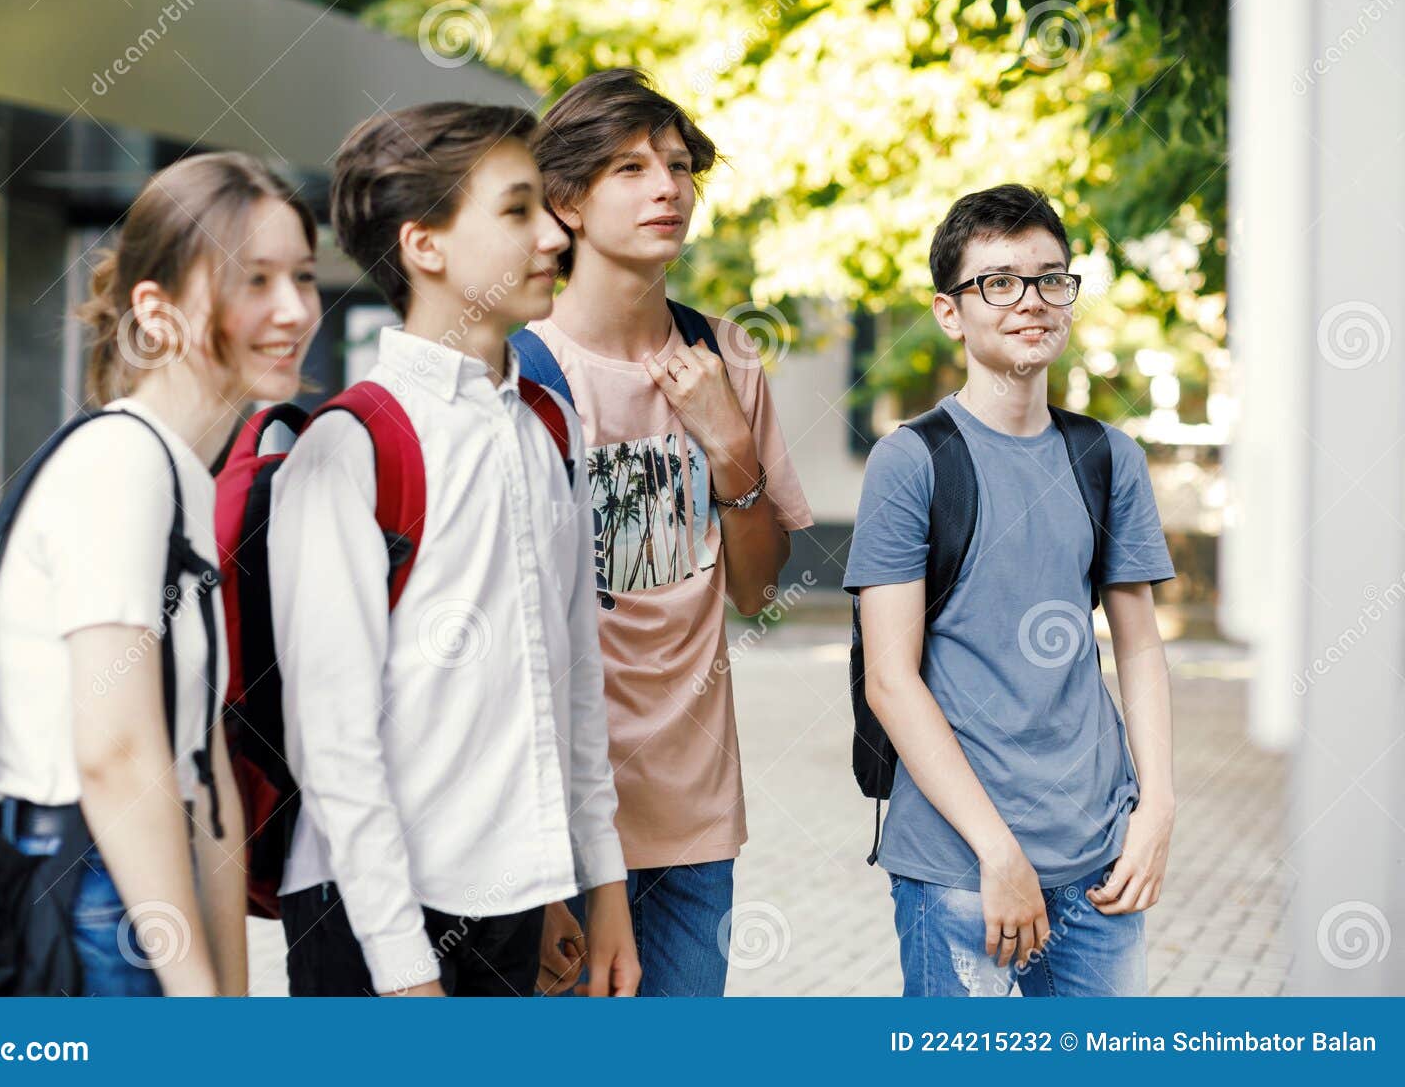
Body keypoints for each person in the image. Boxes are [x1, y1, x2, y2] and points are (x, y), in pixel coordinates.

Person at [270, 102, 639, 997]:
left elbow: (573, 680)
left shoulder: (549, 425)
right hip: (370, 918)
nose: (555, 234)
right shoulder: (351, 446)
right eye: (516, 210)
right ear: (424, 245)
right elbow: (332, 742)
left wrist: (591, 885)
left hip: (514, 910)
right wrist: (406, 971)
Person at [0, 152, 323, 995]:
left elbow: (197, 761)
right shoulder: (121, 464)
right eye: (254, 279)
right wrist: (200, 996)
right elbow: (117, 754)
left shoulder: (179, 472)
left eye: (303, 276)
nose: (293, 309)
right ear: (155, 309)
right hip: (91, 884)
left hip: (134, 876)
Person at [844, 183, 1176, 997]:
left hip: (1100, 862)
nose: (1030, 300)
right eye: (999, 282)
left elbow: (1139, 646)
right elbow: (890, 679)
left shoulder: (1108, 457)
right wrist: (998, 852)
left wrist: (1157, 809)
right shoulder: (911, 461)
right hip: (960, 868)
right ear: (950, 312)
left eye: (1049, 278)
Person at [524, 69, 813, 997]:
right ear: (567, 201)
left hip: (693, 819)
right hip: (554, 823)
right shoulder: (518, 371)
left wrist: (729, 445)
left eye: (680, 166)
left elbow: (757, 591)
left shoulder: (727, 355)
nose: (668, 188)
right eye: (631, 168)